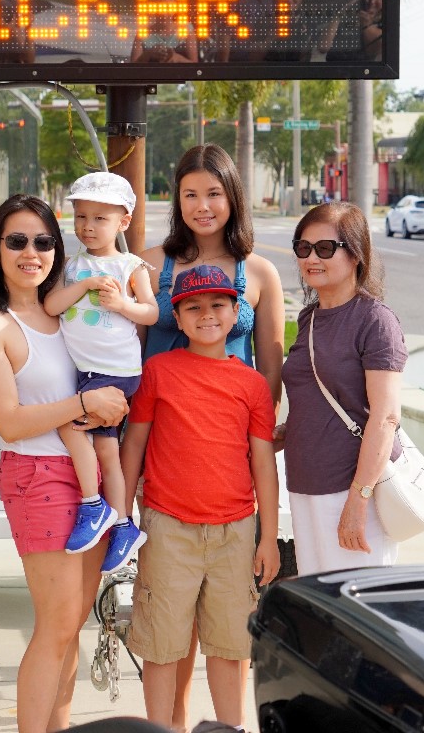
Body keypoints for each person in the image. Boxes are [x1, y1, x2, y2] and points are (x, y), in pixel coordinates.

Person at [0, 194, 134, 733]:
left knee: (73, 624)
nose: (31, 252)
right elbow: (9, 422)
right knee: (56, 625)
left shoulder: (66, 310)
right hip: (40, 478)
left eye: (43, 241)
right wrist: (87, 404)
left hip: (94, 480)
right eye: (16, 241)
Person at [135, 142, 286, 724]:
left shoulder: (260, 272)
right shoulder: (149, 265)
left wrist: (242, 448)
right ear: (176, 199)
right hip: (168, 462)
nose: (202, 205)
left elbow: (268, 372)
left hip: (228, 460)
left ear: (233, 197)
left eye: (214, 193)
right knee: (171, 627)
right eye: (190, 193)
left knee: (224, 628)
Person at [119, 264, 280, 731]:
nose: (206, 315)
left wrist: (266, 537)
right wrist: (124, 516)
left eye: (217, 305)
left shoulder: (251, 384)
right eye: (194, 306)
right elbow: (135, 444)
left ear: (235, 314)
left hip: (234, 533)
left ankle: (230, 728)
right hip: (168, 529)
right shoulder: (159, 371)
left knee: (230, 648)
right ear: (178, 315)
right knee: (163, 647)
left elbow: (263, 464)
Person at [280, 201, 409, 574]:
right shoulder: (310, 318)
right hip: (304, 485)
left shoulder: (375, 321)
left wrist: (359, 499)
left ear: (355, 255)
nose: (311, 258)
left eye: (324, 248)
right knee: (319, 610)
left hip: (352, 488)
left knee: (357, 612)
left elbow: (385, 418)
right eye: (303, 248)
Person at [42, 170, 159, 572]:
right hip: (87, 371)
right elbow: (52, 306)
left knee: (69, 427)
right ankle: (122, 523)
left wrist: (122, 305)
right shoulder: (72, 265)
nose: (88, 227)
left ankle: (95, 506)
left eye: (100, 218)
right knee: (105, 447)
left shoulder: (131, 266)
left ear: (123, 221)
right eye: (81, 217)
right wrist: (85, 283)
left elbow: (152, 310)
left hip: (114, 370)